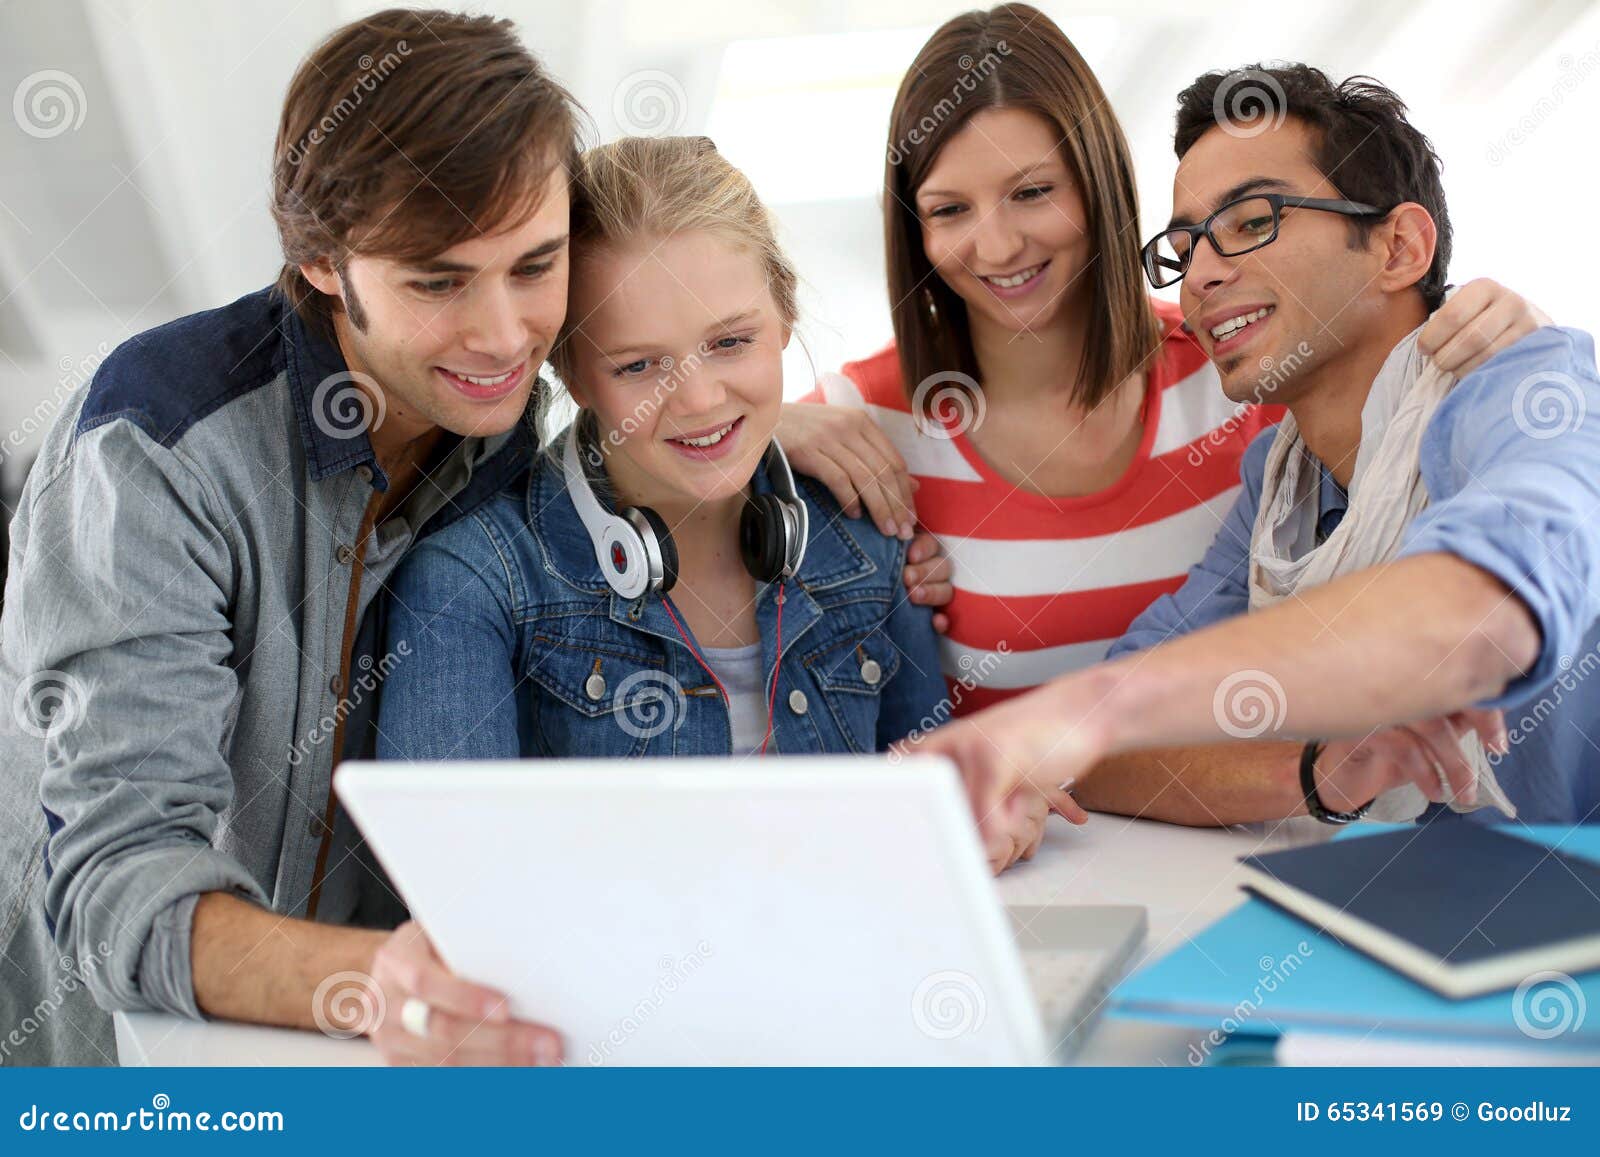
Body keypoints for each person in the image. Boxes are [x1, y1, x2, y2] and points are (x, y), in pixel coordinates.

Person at [773, 2, 1546, 863]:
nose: (996, 243)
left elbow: (1481, 594)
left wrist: (1524, 357)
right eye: (949, 208)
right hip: (1035, 874)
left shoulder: (1275, 378)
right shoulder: (856, 426)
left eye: (1032, 192)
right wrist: (759, 430)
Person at [0, 9, 580, 1067]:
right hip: (84, 1058)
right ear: (321, 258)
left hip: (336, 1056)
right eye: (438, 281)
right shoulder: (157, 446)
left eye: (535, 266)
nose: (503, 335)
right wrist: (370, 982)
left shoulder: (506, 432)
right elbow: (114, 875)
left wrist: (753, 430)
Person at [916, 64, 1600, 836]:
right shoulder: (1281, 476)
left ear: (1399, 247)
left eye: (1252, 220)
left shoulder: (1527, 390)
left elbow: (1486, 618)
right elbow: (1102, 742)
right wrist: (1313, 772)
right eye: (1184, 246)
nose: (1201, 274)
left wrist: (1077, 715)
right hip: (1407, 928)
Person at [378, 136, 950, 796]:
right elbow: (453, 881)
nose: (700, 400)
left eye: (731, 342)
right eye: (639, 366)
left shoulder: (865, 538)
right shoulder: (472, 585)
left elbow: (940, 815)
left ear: (785, 313)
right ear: (573, 372)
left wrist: (989, 814)